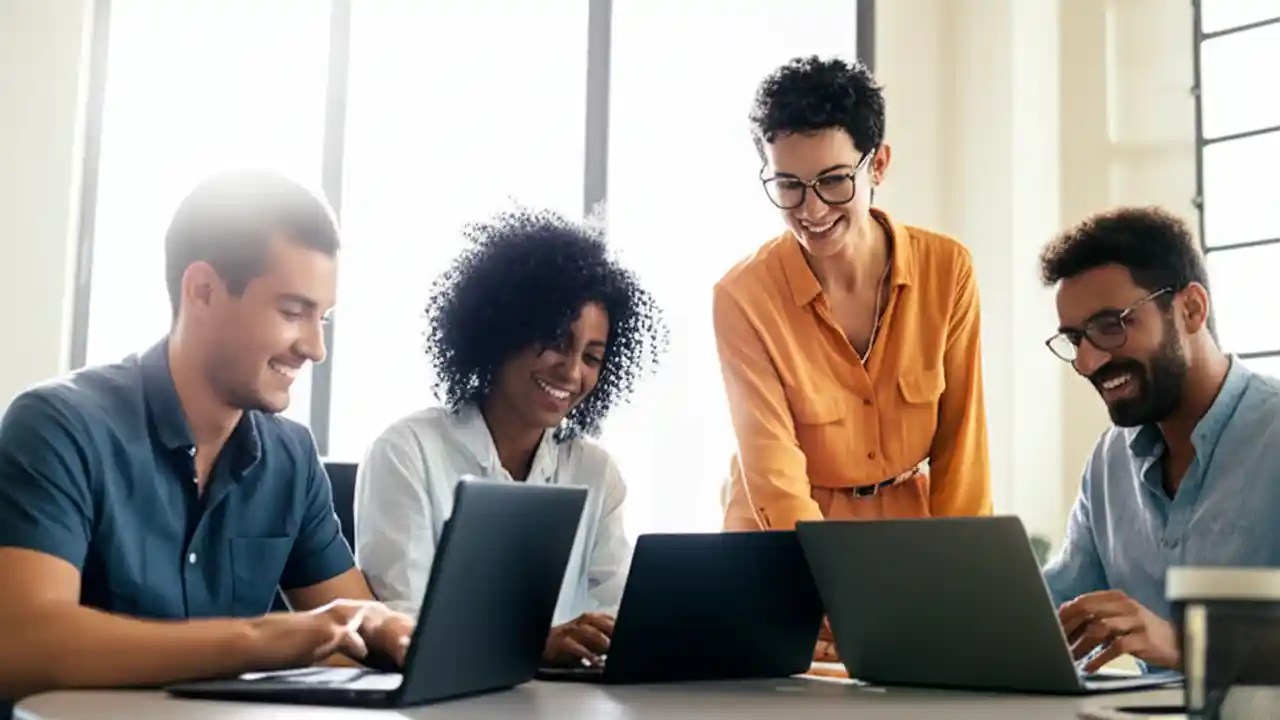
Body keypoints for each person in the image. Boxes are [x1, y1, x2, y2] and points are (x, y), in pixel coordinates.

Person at [0, 170, 413, 702]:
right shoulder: (58, 427)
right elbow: (20, 646)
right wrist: (258, 639)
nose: (314, 348)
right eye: (293, 312)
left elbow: (352, 636)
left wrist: (423, 641)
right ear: (202, 291)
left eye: (323, 320)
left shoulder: (291, 457)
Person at [354, 207, 666, 669]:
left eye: (593, 357)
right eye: (557, 342)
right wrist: (531, 644)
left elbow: (622, 609)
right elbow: (403, 623)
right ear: (503, 331)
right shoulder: (408, 451)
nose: (573, 371)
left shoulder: (596, 473)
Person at [715, 55, 992, 532]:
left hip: (903, 525)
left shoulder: (948, 272)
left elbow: (960, 450)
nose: (812, 209)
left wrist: (961, 579)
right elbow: (775, 478)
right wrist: (831, 597)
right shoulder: (743, 297)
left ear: (877, 165)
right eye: (788, 186)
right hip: (780, 537)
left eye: (834, 181)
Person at [1040, 206, 1280, 673]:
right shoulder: (1109, 462)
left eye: (1111, 326)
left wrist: (1186, 645)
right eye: (1075, 339)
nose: (1088, 362)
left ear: (1190, 309)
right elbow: (1053, 606)